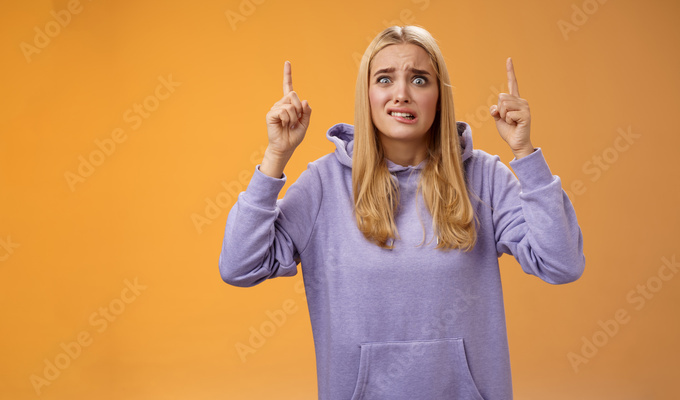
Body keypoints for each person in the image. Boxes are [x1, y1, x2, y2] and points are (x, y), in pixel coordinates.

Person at [218, 25, 585, 400]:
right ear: (367, 95)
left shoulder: (485, 177)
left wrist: (525, 154)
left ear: (439, 97)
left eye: (420, 80)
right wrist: (275, 157)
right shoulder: (323, 184)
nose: (401, 94)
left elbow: (561, 263)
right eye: (385, 79)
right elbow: (239, 266)